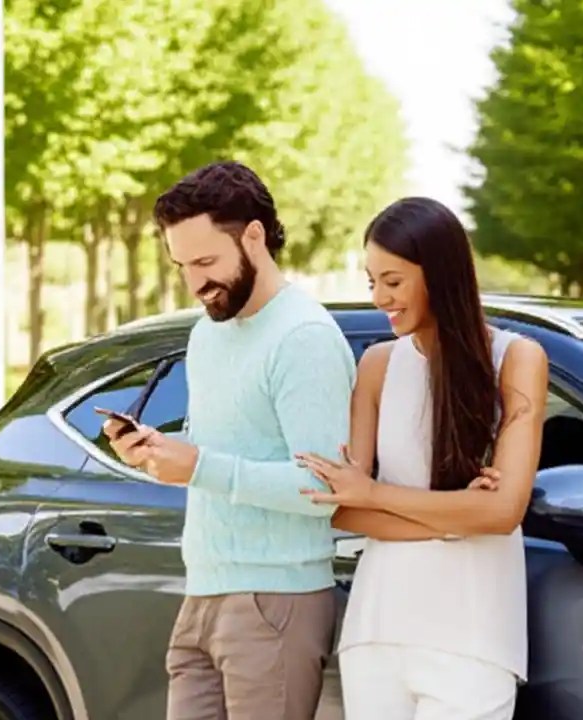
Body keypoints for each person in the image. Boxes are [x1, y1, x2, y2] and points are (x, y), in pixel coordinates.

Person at [101, 160, 359, 720]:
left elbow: (324, 488)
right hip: (203, 589)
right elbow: (224, 445)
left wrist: (199, 468)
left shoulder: (304, 337)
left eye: (206, 261)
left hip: (277, 600)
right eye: (181, 266)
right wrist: (155, 451)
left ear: (254, 237)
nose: (195, 283)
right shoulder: (206, 334)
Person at [296, 196, 549, 720]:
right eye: (371, 282)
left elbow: (503, 513)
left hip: (475, 638)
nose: (379, 298)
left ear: (439, 272)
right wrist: (455, 518)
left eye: (393, 280)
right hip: (378, 628)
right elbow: (342, 507)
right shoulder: (378, 366)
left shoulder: (517, 360)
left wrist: (377, 495)